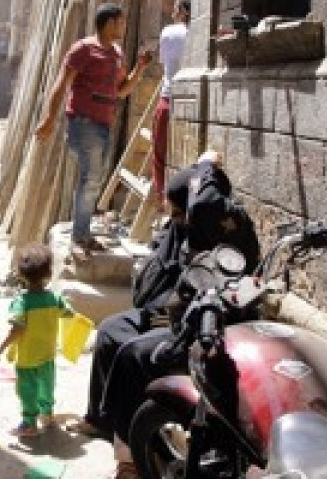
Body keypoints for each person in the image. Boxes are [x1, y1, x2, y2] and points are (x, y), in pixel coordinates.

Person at [67, 153, 260, 479]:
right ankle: (102, 420)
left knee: (131, 356)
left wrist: (206, 167)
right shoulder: (185, 227)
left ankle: (131, 459)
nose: (175, 218)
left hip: (208, 326)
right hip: (174, 313)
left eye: (179, 212)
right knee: (110, 330)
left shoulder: (224, 226)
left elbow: (204, 205)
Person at [34, 3, 154, 257]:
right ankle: (80, 237)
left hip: (104, 124)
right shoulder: (83, 49)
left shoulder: (117, 54)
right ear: (109, 23)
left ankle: (82, 232)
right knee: (91, 178)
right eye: (121, 22)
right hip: (83, 122)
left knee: (93, 179)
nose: (124, 27)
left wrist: (140, 68)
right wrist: (49, 119)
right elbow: (61, 84)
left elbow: (121, 91)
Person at [0, 243, 74, 437]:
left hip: (28, 358)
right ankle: (47, 415)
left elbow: (17, 329)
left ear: (21, 275)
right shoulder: (54, 299)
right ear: (49, 274)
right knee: (47, 386)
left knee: (27, 391)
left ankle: (29, 424)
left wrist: (1, 348)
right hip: (48, 355)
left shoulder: (21, 303)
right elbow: (69, 313)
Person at [150, 0, 191, 205]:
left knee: (160, 154)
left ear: (183, 11)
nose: (172, 13)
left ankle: (163, 201)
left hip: (169, 98)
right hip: (191, 102)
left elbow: (164, 62)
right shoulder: (201, 32)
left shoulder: (169, 32)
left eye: (175, 9)